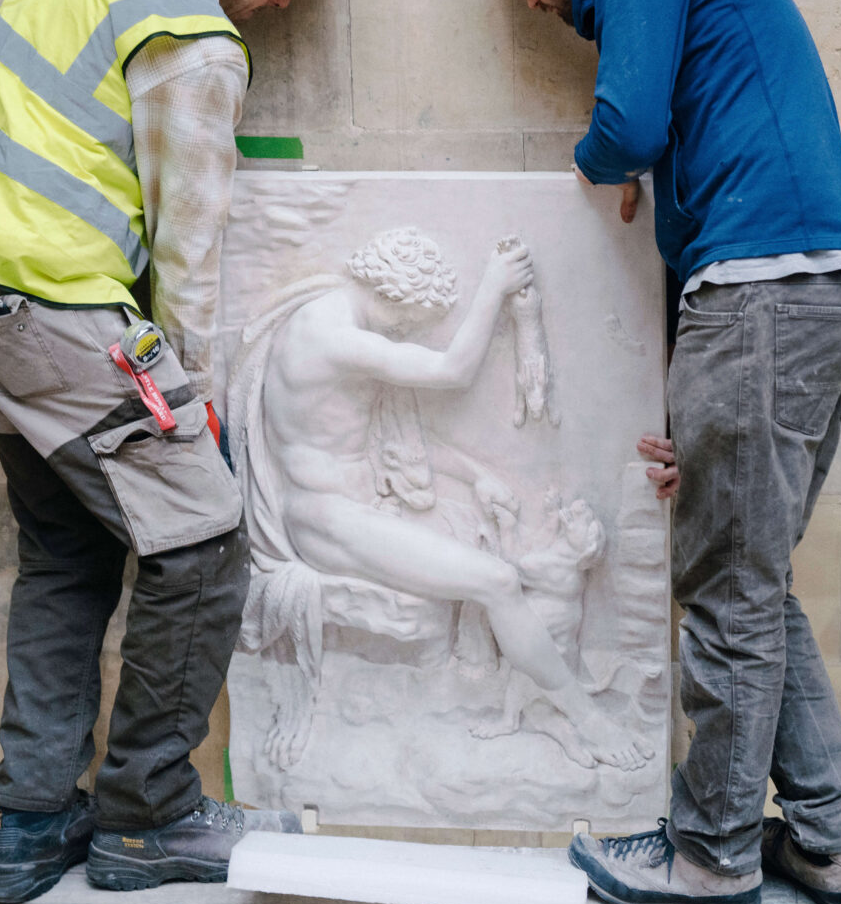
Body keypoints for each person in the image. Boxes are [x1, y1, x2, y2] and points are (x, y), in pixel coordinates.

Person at [0, 0, 353, 904]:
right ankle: (151, 816)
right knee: (203, 541)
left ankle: (30, 823)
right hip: (56, 302)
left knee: (66, 552)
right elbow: (190, 252)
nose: (285, 0)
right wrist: (189, 401)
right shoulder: (195, 43)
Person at [457, 0, 841, 904]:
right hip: (789, 295)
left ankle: (709, 855)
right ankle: (829, 843)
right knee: (754, 579)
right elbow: (673, 168)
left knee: (730, 594)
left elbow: (625, 122)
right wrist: (678, 407)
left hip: (763, 295)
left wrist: (600, 160)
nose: (530, 7)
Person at [225, 228, 654, 773]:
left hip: (362, 507)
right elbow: (452, 371)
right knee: (497, 580)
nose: (406, 333)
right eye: (408, 323)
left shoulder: (331, 317)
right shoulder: (331, 336)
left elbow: (387, 443)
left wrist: (476, 475)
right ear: (393, 296)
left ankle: (535, 701)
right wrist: (494, 287)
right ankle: (587, 719)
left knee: (481, 537)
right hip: (328, 520)